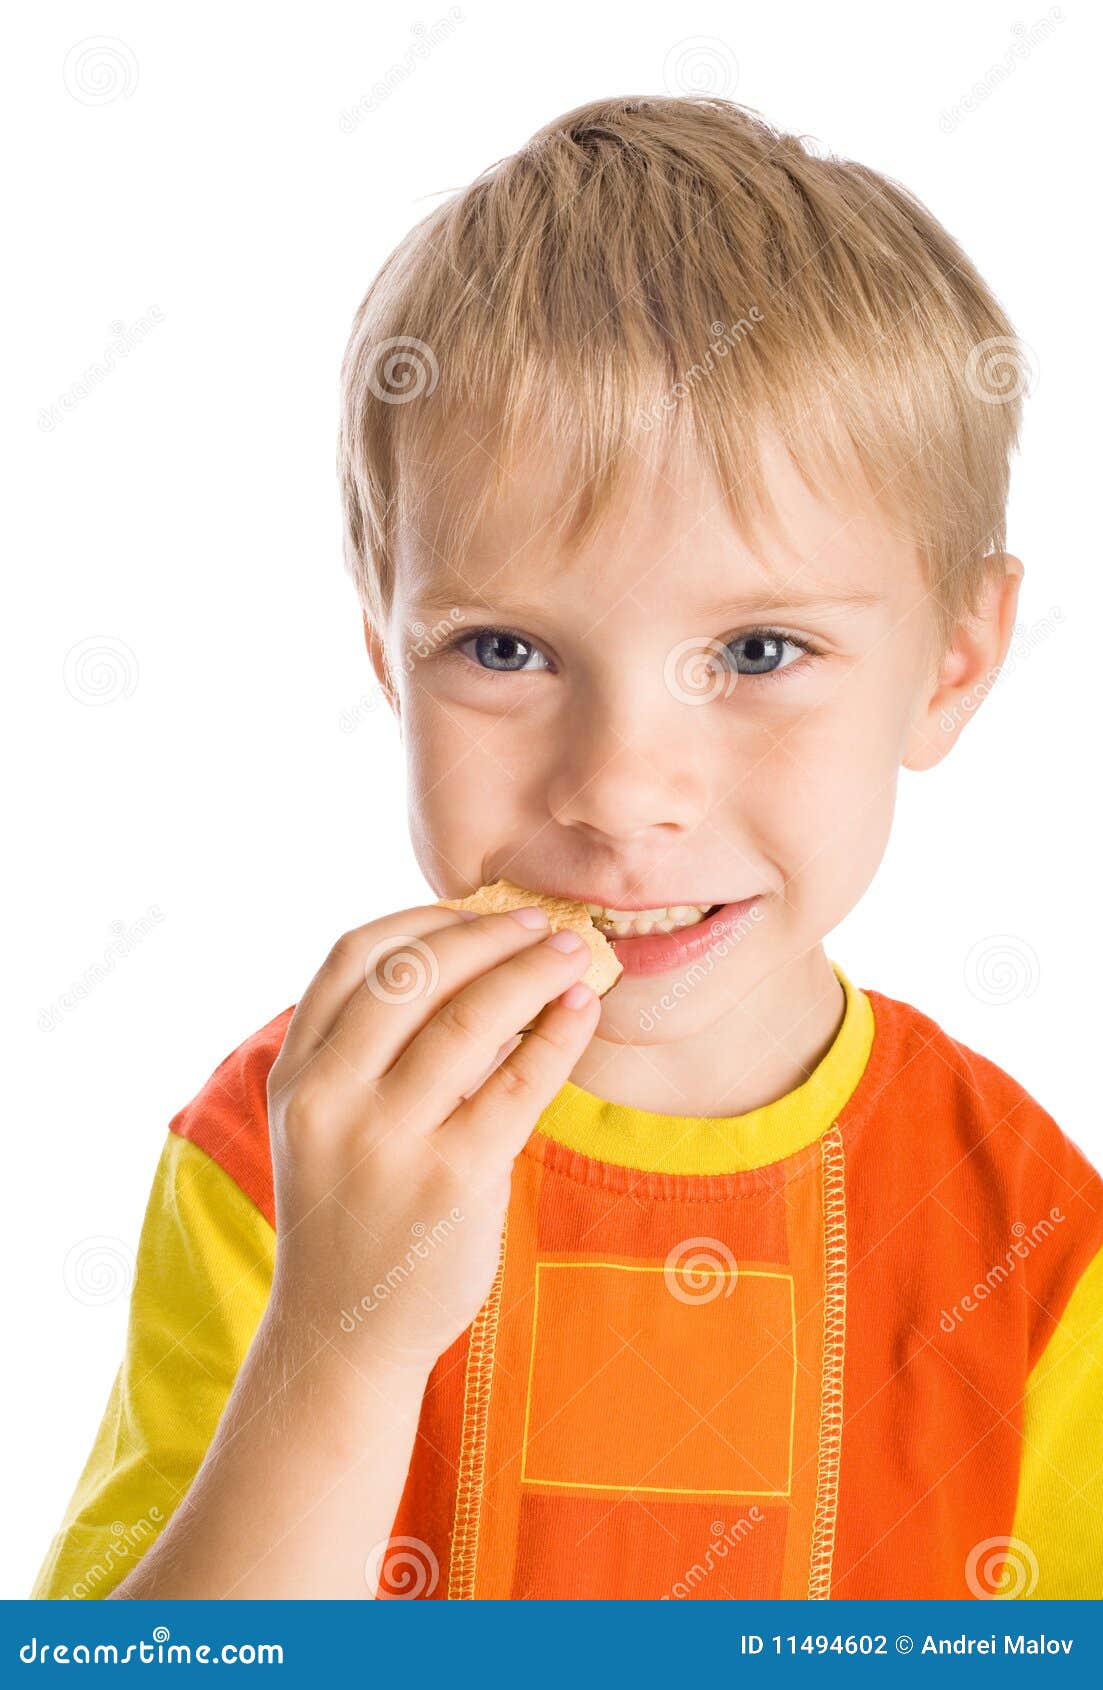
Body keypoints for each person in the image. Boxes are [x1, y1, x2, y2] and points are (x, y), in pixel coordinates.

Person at [32, 94, 1102, 1602]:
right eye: (509, 647)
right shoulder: (290, 1147)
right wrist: (341, 1338)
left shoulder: (1031, 1229)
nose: (619, 790)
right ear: (391, 663)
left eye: (760, 647)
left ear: (953, 662)